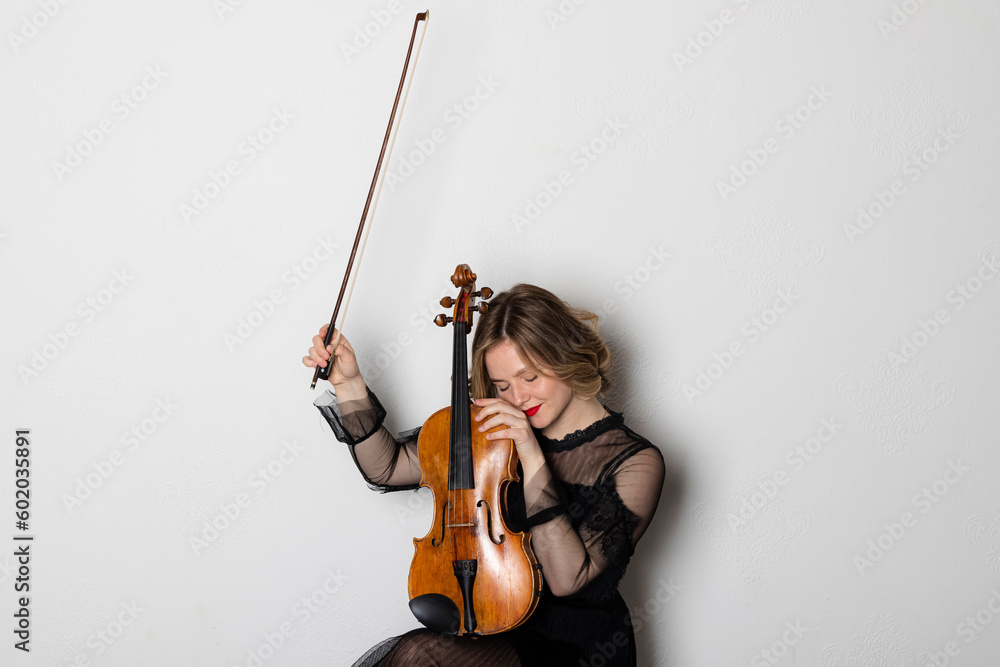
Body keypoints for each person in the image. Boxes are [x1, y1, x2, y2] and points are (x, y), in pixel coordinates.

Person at [302, 284, 665, 666]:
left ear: (567, 357)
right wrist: (348, 384)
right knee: (417, 655)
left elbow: (566, 580)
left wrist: (530, 451)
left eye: (530, 378)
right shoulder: (490, 433)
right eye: (503, 386)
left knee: (420, 656)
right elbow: (388, 467)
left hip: (576, 645)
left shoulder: (635, 462)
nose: (518, 399)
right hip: (492, 615)